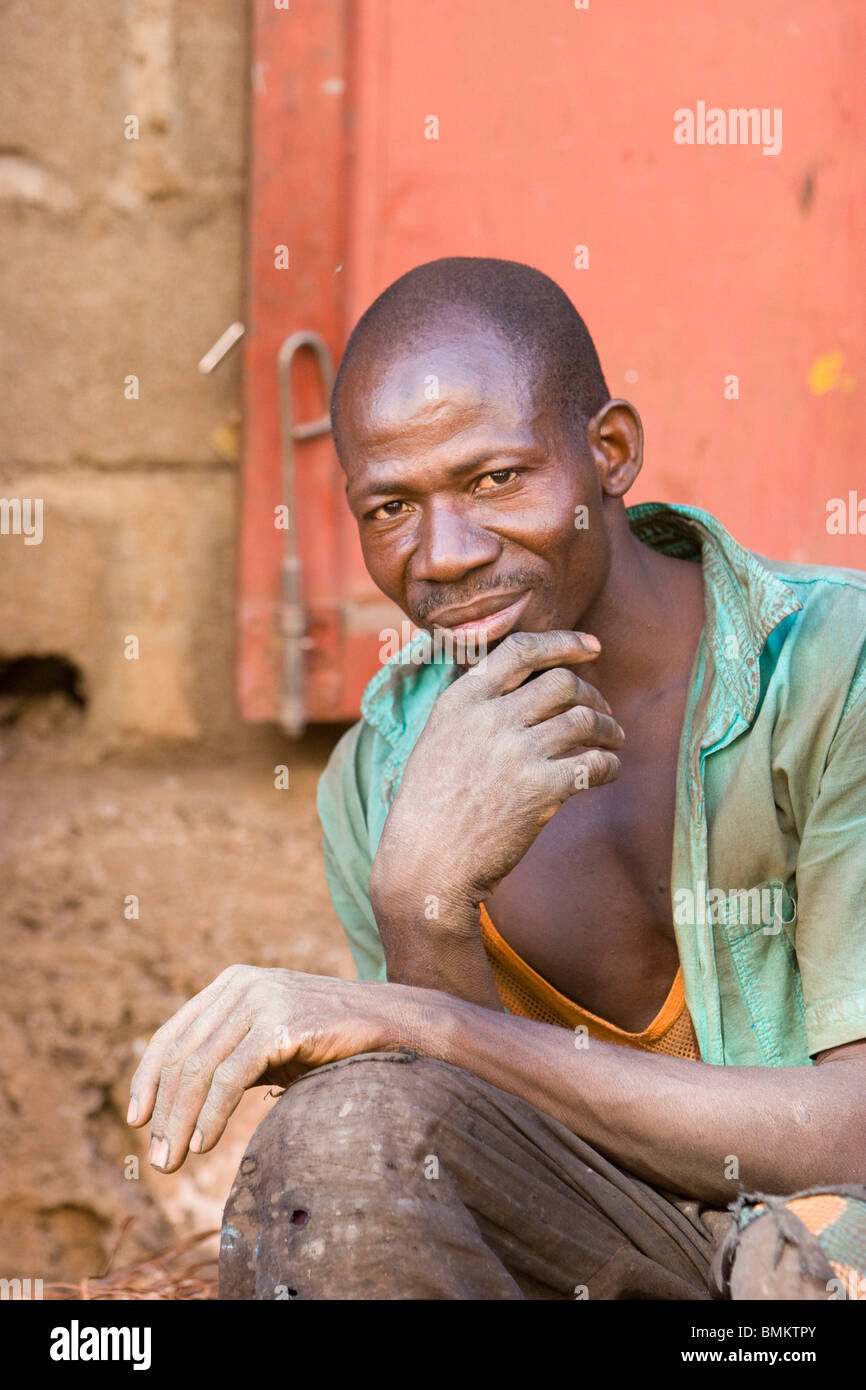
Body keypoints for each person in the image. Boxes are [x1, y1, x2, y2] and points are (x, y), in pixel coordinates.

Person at [128, 258, 866, 1300]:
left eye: (493, 480)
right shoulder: (378, 777)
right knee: (341, 1135)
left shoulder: (832, 669)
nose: (443, 554)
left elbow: (854, 1132)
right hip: (612, 1257)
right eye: (388, 506)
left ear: (607, 453)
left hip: (827, 1251)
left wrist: (416, 1019)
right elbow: (445, 1149)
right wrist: (418, 903)